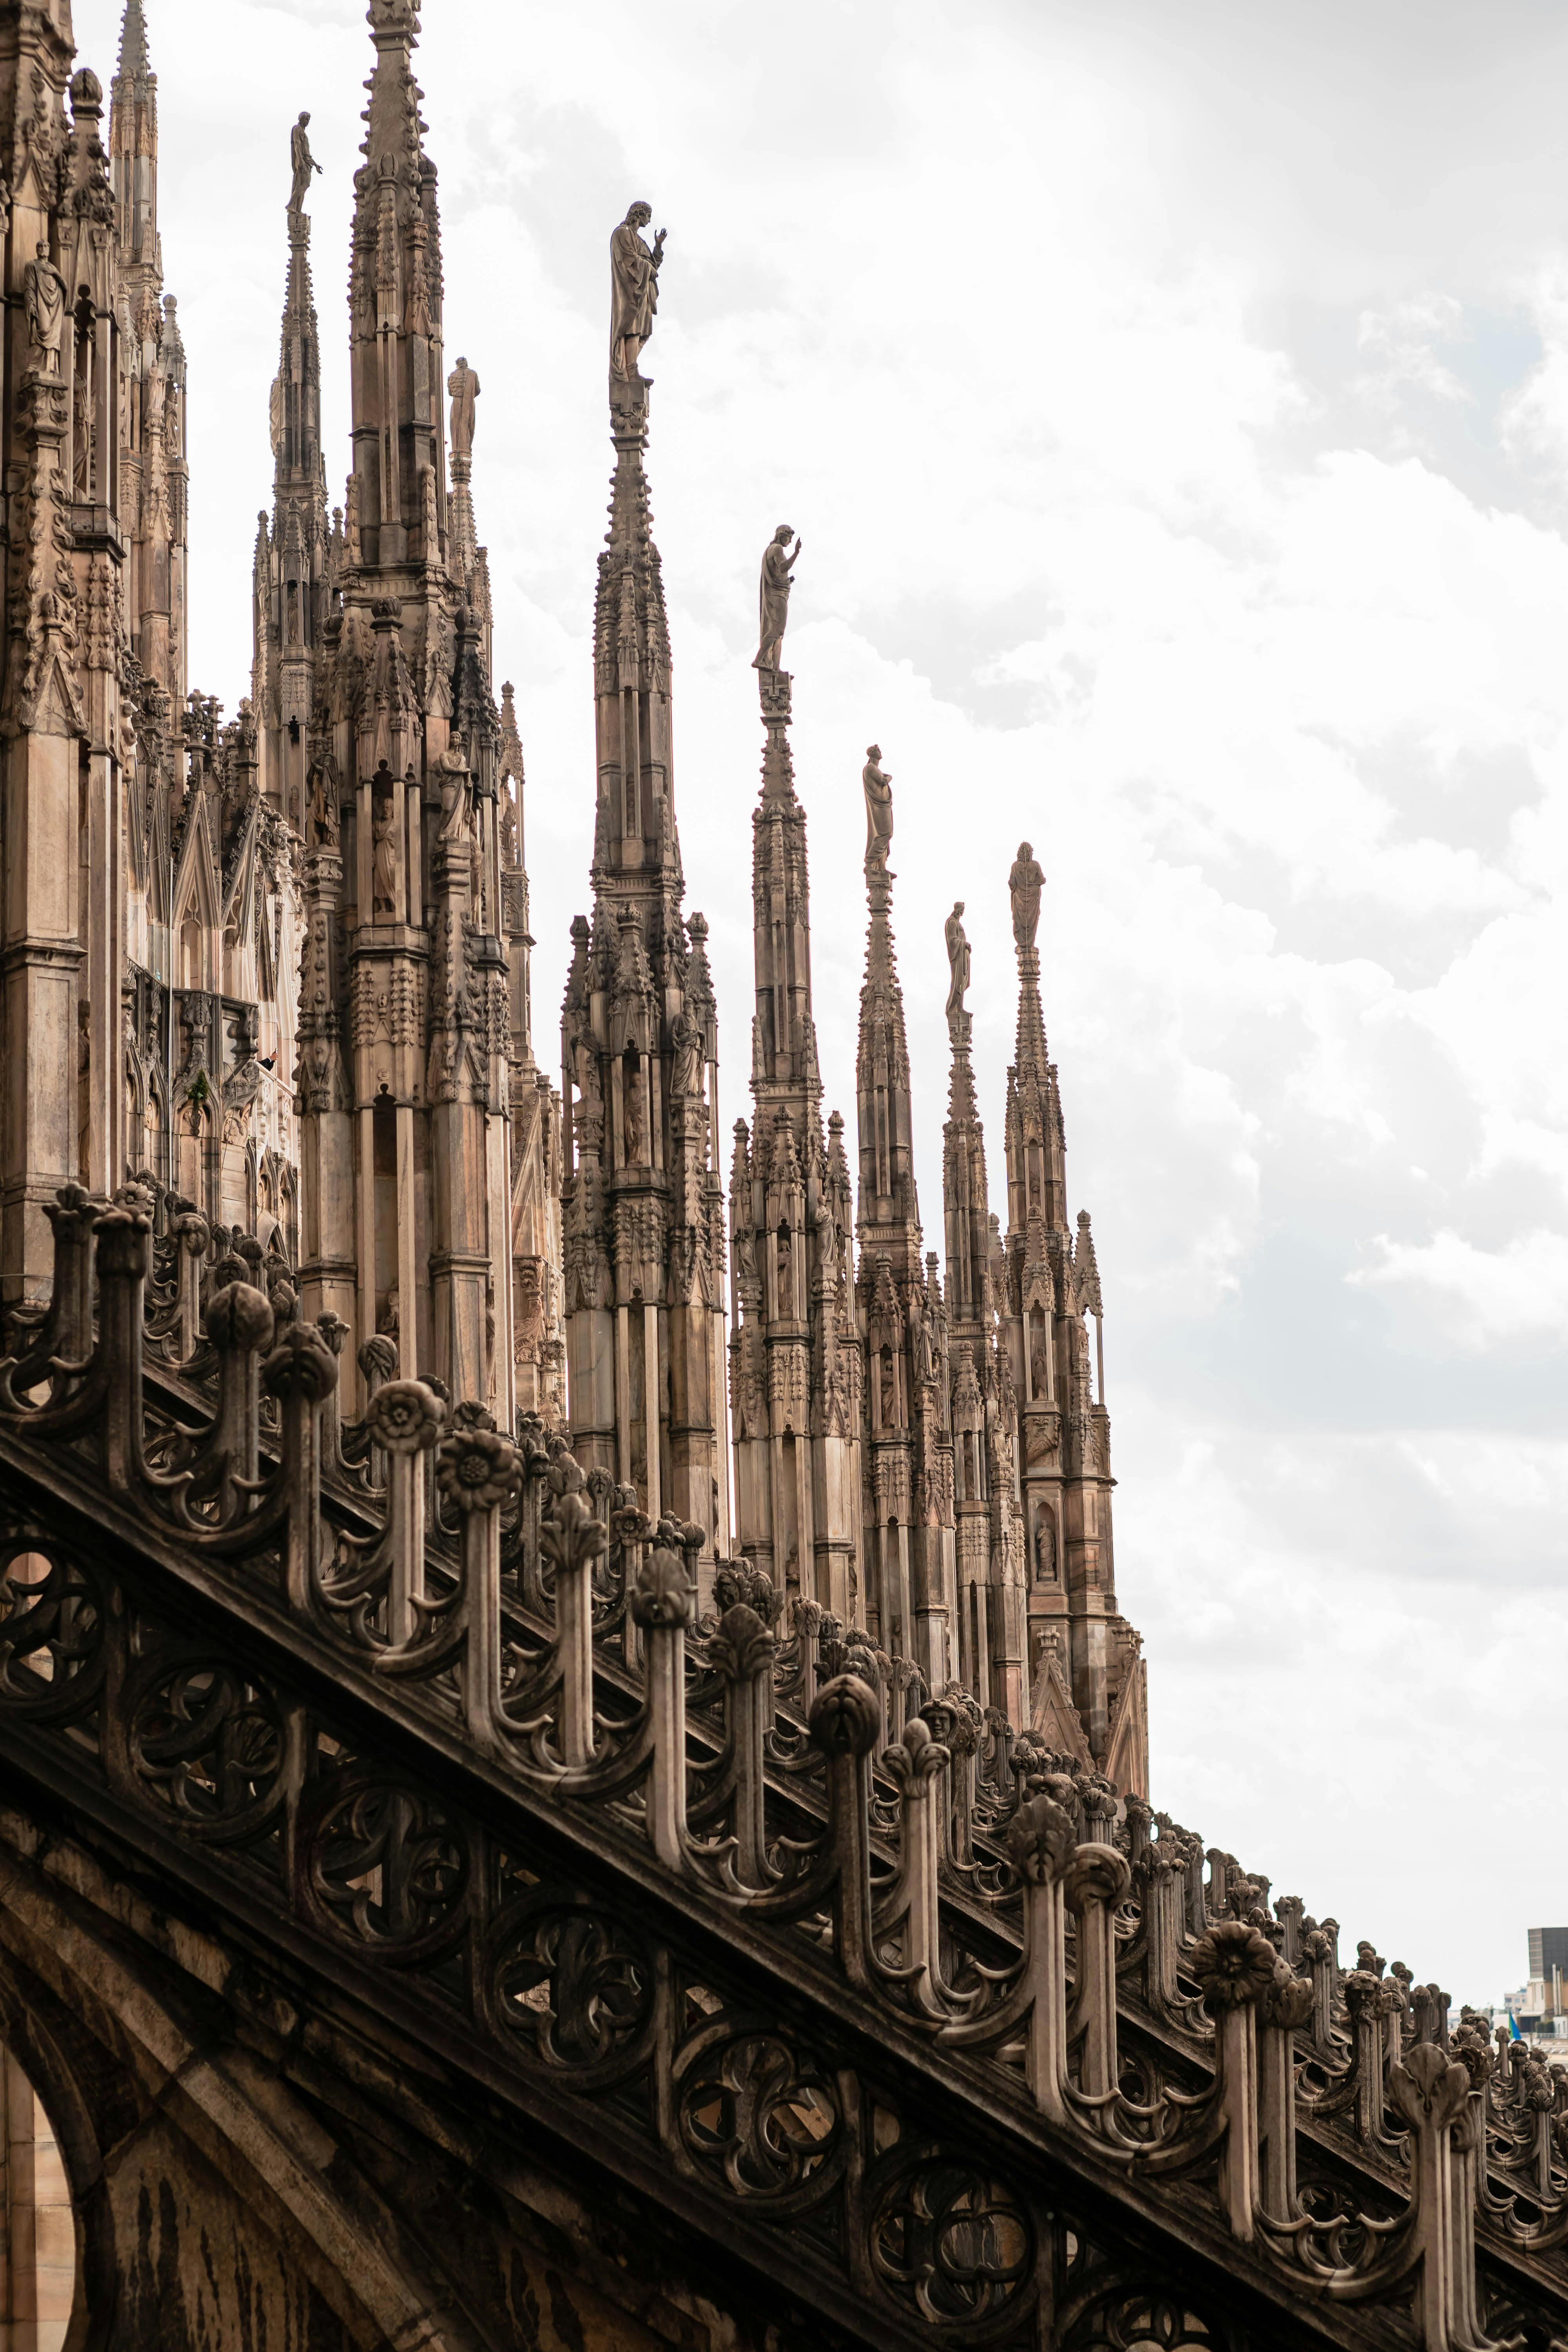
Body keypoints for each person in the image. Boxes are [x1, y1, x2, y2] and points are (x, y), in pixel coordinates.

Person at [610, 201, 665, 379]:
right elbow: (629, 261)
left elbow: (652, 264)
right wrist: (648, 269)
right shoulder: (622, 233)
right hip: (632, 293)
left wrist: (657, 247)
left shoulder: (639, 240)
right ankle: (631, 371)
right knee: (632, 330)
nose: (649, 221)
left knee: (640, 332)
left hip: (644, 293)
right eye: (648, 216)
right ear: (639, 214)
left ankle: (631, 368)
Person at [753, 526, 802, 672]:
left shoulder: (773, 549)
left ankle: (775, 668)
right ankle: (759, 659)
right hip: (777, 596)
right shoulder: (777, 549)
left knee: (780, 633)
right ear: (782, 536)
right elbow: (783, 567)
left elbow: (778, 573)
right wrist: (796, 553)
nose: (790, 541)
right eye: (789, 538)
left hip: (780, 592)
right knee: (777, 629)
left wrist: (787, 581)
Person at [289, 112, 322, 214]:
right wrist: (300, 161)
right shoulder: (297, 129)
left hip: (307, 162)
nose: (307, 121)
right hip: (302, 161)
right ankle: (290, 205)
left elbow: (307, 153)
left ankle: (298, 210)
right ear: (301, 119)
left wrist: (316, 165)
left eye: (309, 119)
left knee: (304, 186)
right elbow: (297, 146)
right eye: (306, 118)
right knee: (304, 184)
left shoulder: (303, 132)